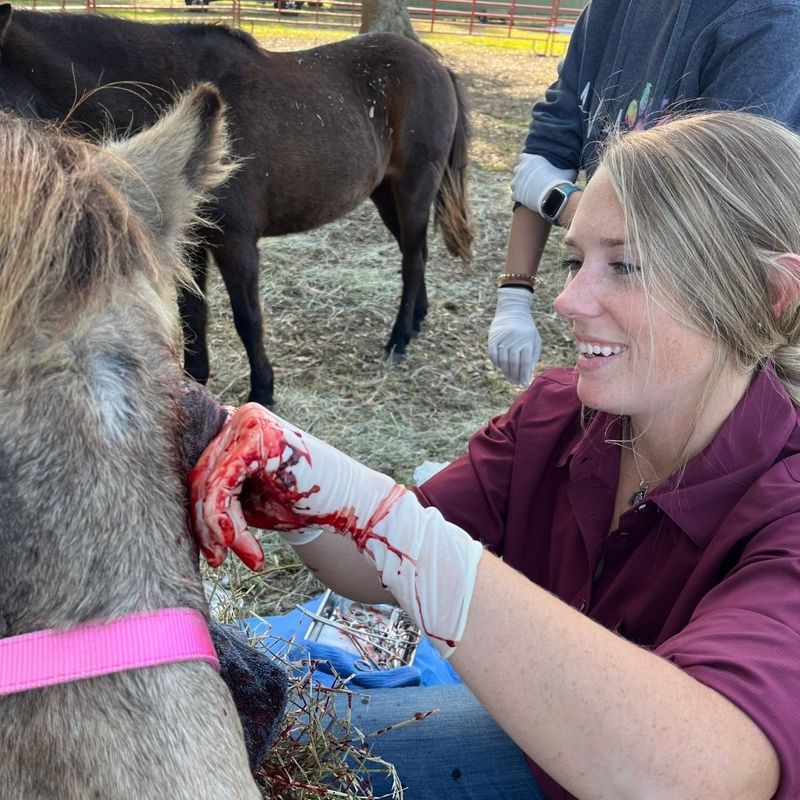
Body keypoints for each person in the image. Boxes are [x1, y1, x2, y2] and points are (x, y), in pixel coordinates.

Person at [190, 111, 800, 800]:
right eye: (574, 261)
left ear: (768, 300)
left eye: (625, 266)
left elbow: (697, 777)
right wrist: (299, 492)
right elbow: (376, 569)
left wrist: (388, 521)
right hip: (544, 758)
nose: (567, 300)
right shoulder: (562, 417)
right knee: (267, 740)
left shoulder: (785, 506)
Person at [489, 0, 800, 386]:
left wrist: (557, 199)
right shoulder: (608, 9)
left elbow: (702, 221)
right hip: (629, 305)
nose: (563, 303)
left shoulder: (768, 20)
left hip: (709, 334)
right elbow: (547, 148)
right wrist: (515, 297)